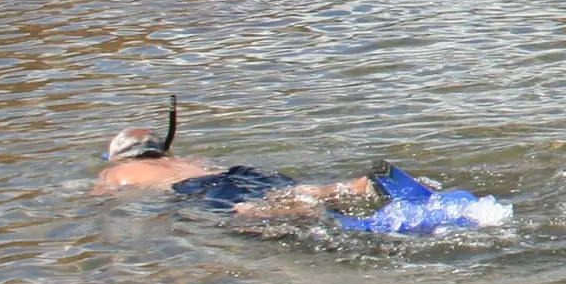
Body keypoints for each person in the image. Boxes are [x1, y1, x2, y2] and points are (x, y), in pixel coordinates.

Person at [90, 99, 509, 230]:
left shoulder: (114, 173)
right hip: (236, 172)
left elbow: (101, 201)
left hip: (201, 192)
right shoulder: (187, 160)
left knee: (246, 213)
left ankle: (318, 216)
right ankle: (358, 186)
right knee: (283, 191)